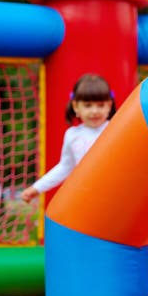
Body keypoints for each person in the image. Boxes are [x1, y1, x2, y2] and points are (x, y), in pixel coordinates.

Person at [22, 73, 116, 203]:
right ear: (76, 106)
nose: (94, 111)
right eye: (88, 105)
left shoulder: (115, 129)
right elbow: (65, 167)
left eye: (100, 105)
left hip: (113, 194)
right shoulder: (73, 135)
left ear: (109, 106)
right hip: (85, 196)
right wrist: (37, 188)